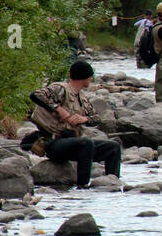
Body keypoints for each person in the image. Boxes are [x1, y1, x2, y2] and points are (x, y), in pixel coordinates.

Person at [24, 60, 122, 188]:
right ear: (84, 77)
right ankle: (82, 185)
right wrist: (60, 110)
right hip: (53, 143)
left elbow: (96, 118)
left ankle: (112, 183)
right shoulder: (60, 89)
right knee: (86, 143)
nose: (91, 79)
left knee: (113, 147)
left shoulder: (81, 97)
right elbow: (36, 95)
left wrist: (84, 119)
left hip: (73, 144)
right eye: (90, 76)